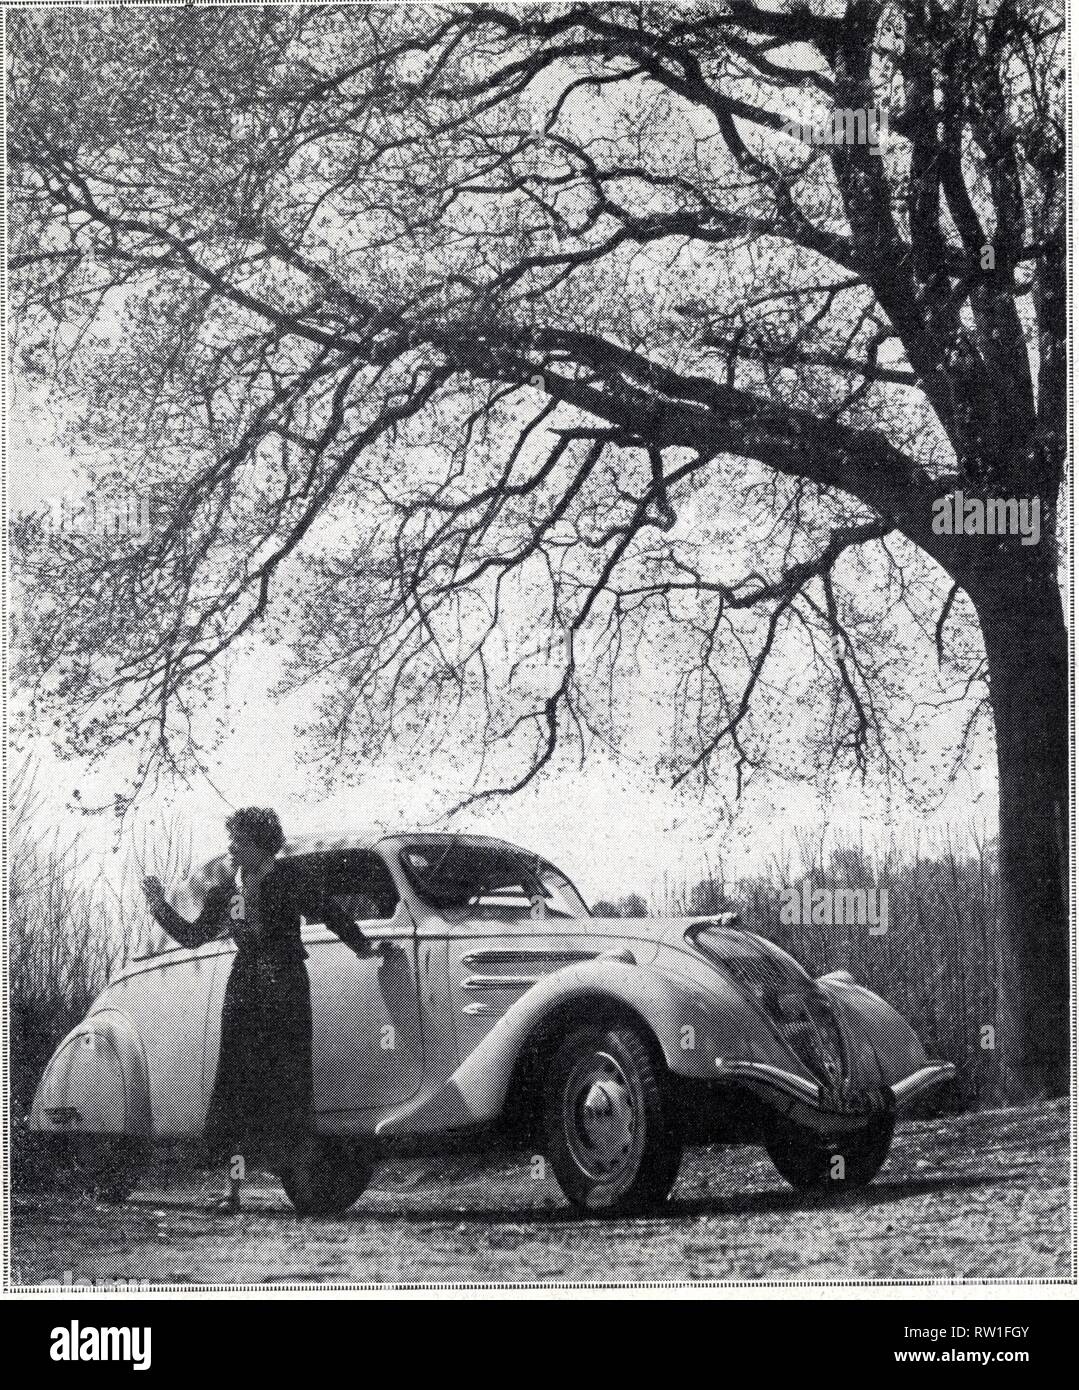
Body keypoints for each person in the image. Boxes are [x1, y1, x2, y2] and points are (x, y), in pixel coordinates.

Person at [142, 807, 376, 1210]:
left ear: (260, 844)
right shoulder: (225, 893)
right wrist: (158, 904)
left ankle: (307, 1191)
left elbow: (330, 913)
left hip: (284, 984)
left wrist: (362, 946)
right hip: (245, 988)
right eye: (231, 839)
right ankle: (234, 1192)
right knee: (236, 1088)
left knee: (288, 1084)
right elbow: (194, 936)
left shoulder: (290, 879)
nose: (230, 848)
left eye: (239, 841)